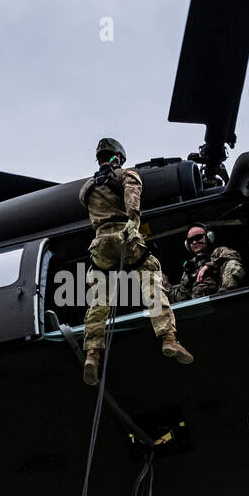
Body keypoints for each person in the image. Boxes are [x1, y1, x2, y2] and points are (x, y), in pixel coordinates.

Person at [79, 138, 192, 386]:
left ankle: (92, 354)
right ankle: (168, 338)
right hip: (125, 235)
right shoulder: (125, 175)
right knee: (151, 277)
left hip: (99, 242)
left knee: (99, 298)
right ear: (119, 157)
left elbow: (85, 204)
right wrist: (133, 220)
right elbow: (132, 195)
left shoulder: (87, 187)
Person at [168, 223, 246, 302]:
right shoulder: (189, 266)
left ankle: (228, 295)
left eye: (198, 237)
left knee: (232, 263)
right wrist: (163, 284)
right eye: (191, 240)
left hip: (221, 299)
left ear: (209, 237)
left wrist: (209, 266)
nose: (194, 242)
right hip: (200, 306)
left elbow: (234, 255)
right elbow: (181, 295)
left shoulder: (218, 252)